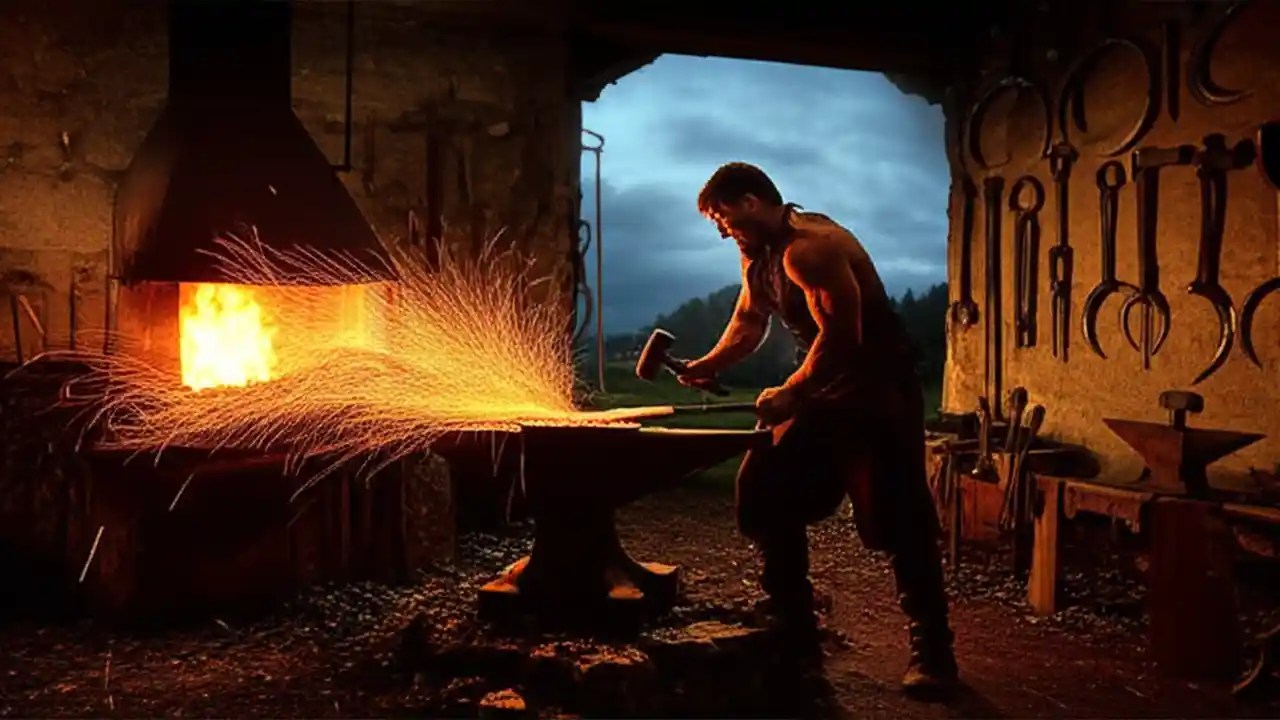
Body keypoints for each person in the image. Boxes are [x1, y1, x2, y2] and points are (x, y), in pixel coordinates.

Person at [676, 162, 957, 695]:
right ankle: (794, 625)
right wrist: (708, 365)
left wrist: (791, 392)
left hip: (877, 390)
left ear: (752, 200)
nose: (720, 228)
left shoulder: (812, 248)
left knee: (898, 515)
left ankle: (934, 652)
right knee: (762, 489)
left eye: (723, 215)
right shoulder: (755, 252)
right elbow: (748, 320)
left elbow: (843, 336)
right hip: (823, 387)